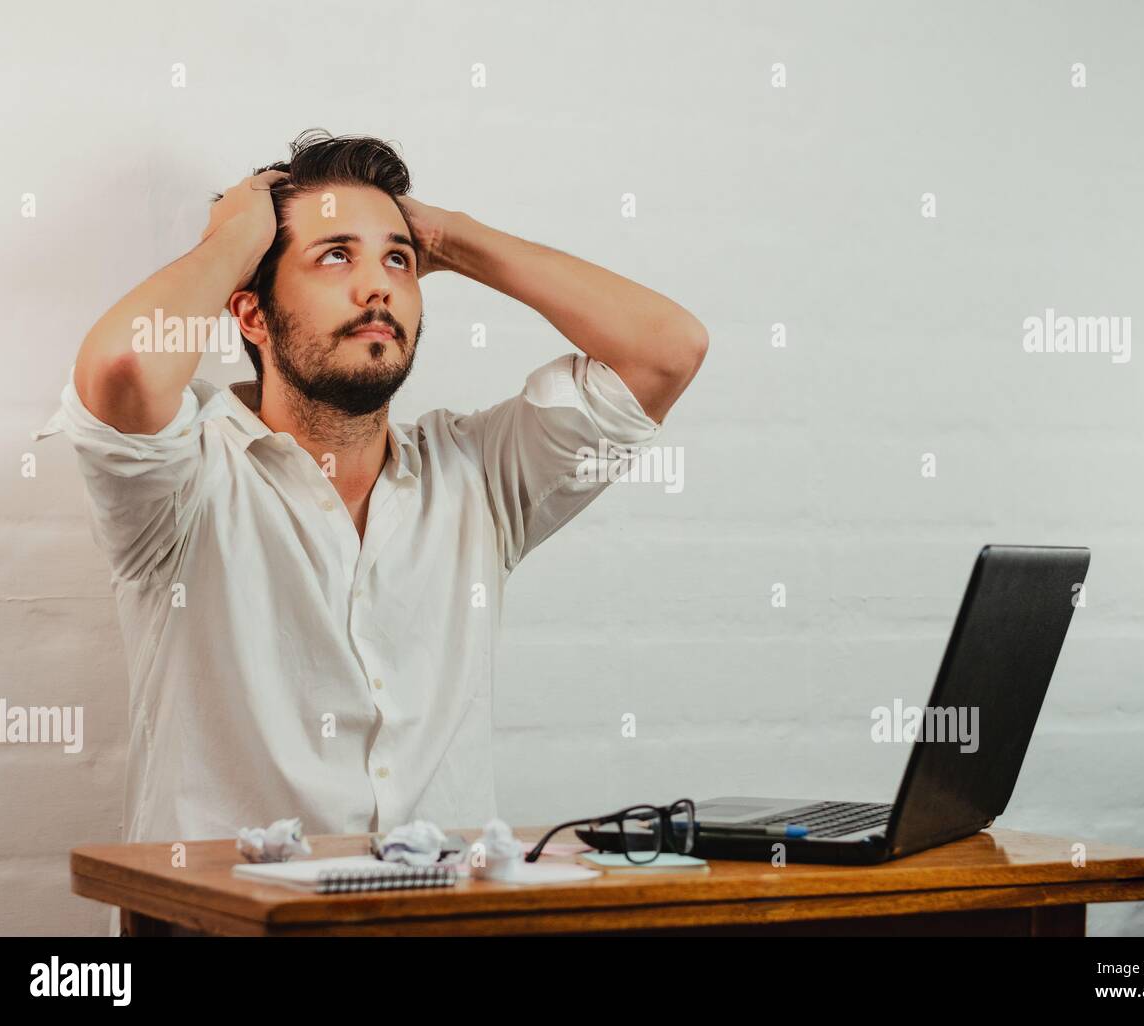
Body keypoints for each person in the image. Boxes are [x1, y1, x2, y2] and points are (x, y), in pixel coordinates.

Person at [36, 130, 707, 935]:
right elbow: (124, 368)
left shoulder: (478, 476)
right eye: (334, 257)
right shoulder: (184, 477)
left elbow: (668, 349)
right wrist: (238, 235)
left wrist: (452, 237)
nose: (377, 286)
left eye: (398, 261)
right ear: (251, 313)